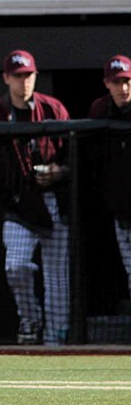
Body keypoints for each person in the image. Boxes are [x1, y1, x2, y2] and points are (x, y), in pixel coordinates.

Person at [0, 50, 70, 345]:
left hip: (54, 200)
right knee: (16, 266)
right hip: (20, 204)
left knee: (57, 276)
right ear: (6, 78)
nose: (23, 82)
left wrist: (60, 171)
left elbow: (73, 155)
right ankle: (30, 320)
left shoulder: (53, 108)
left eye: (28, 75)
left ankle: (56, 338)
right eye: (17, 76)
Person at [87, 55, 131, 303]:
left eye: (127, 81)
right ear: (107, 83)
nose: (123, 88)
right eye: (117, 82)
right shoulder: (100, 111)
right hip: (121, 210)